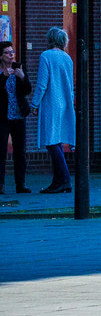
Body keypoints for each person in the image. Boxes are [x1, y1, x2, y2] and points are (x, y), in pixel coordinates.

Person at [33, 27, 75, 194]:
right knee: (56, 141)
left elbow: (42, 83)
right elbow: (70, 83)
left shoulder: (46, 56)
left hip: (51, 102)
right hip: (65, 102)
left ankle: (64, 179)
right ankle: (57, 182)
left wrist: (34, 104)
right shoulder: (67, 58)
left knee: (51, 142)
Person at [1, 42, 32, 193]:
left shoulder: (19, 68)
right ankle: (1, 184)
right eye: (7, 52)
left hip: (18, 115)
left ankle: (21, 183)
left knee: (20, 150)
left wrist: (22, 77)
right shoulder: (1, 72)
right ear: (1, 56)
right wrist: (3, 77)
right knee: (1, 150)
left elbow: (27, 90)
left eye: (12, 52)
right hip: (3, 116)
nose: (11, 55)